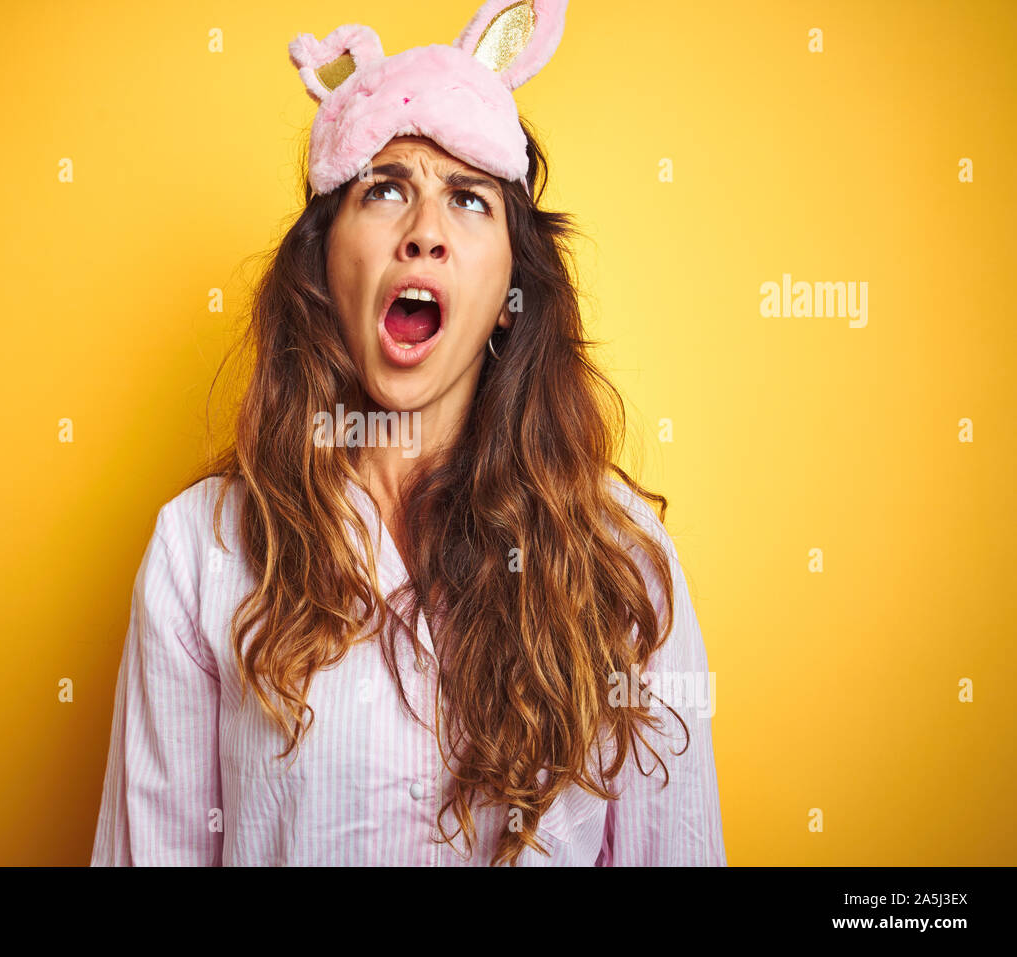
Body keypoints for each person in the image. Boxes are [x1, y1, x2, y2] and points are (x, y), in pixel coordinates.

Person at [91, 0, 727, 866]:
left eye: (468, 199)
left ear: (510, 294)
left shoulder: (623, 560)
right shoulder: (199, 554)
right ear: (322, 264)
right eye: (384, 189)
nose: (424, 232)